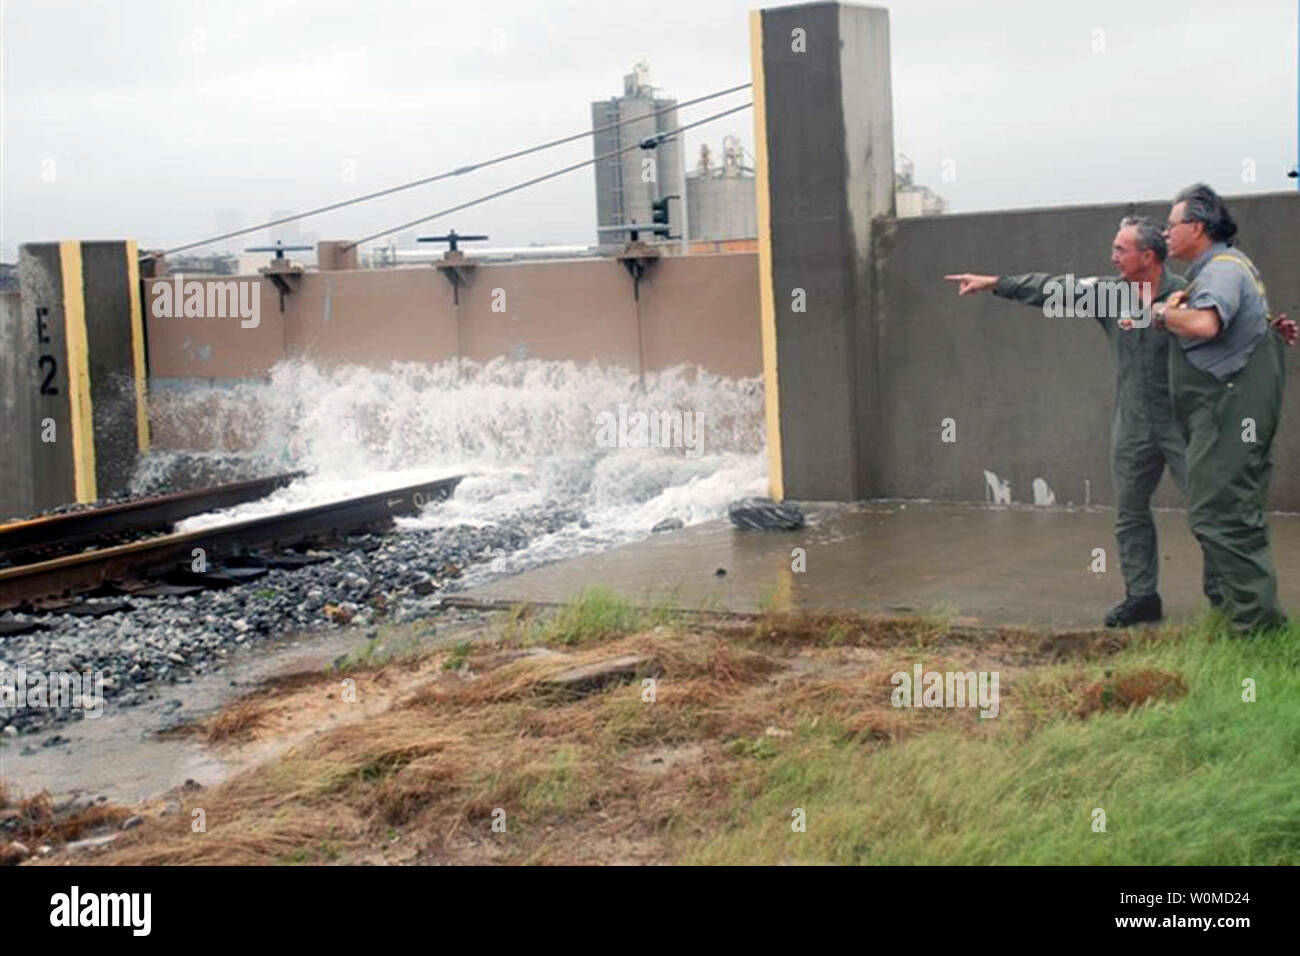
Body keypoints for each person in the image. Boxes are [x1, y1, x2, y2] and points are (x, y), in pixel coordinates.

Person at [946, 217, 1224, 627]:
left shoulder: (1191, 293)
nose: (1112, 257)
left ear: (1147, 256)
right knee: (1130, 511)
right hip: (1133, 420)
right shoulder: (1111, 296)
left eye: (1120, 250)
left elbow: (1232, 324)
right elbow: (1052, 289)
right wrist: (993, 283)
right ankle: (1142, 596)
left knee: (1209, 510)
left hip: (1184, 421)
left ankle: (1224, 597)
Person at [1155, 183, 1290, 635]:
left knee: (1220, 514)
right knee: (1235, 512)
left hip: (1229, 412)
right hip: (1230, 411)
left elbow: (1205, 324)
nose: (1166, 234)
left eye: (1171, 226)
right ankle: (1246, 617)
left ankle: (1256, 629)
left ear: (1197, 227)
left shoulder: (1221, 272)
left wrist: (1163, 313)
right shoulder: (1229, 267)